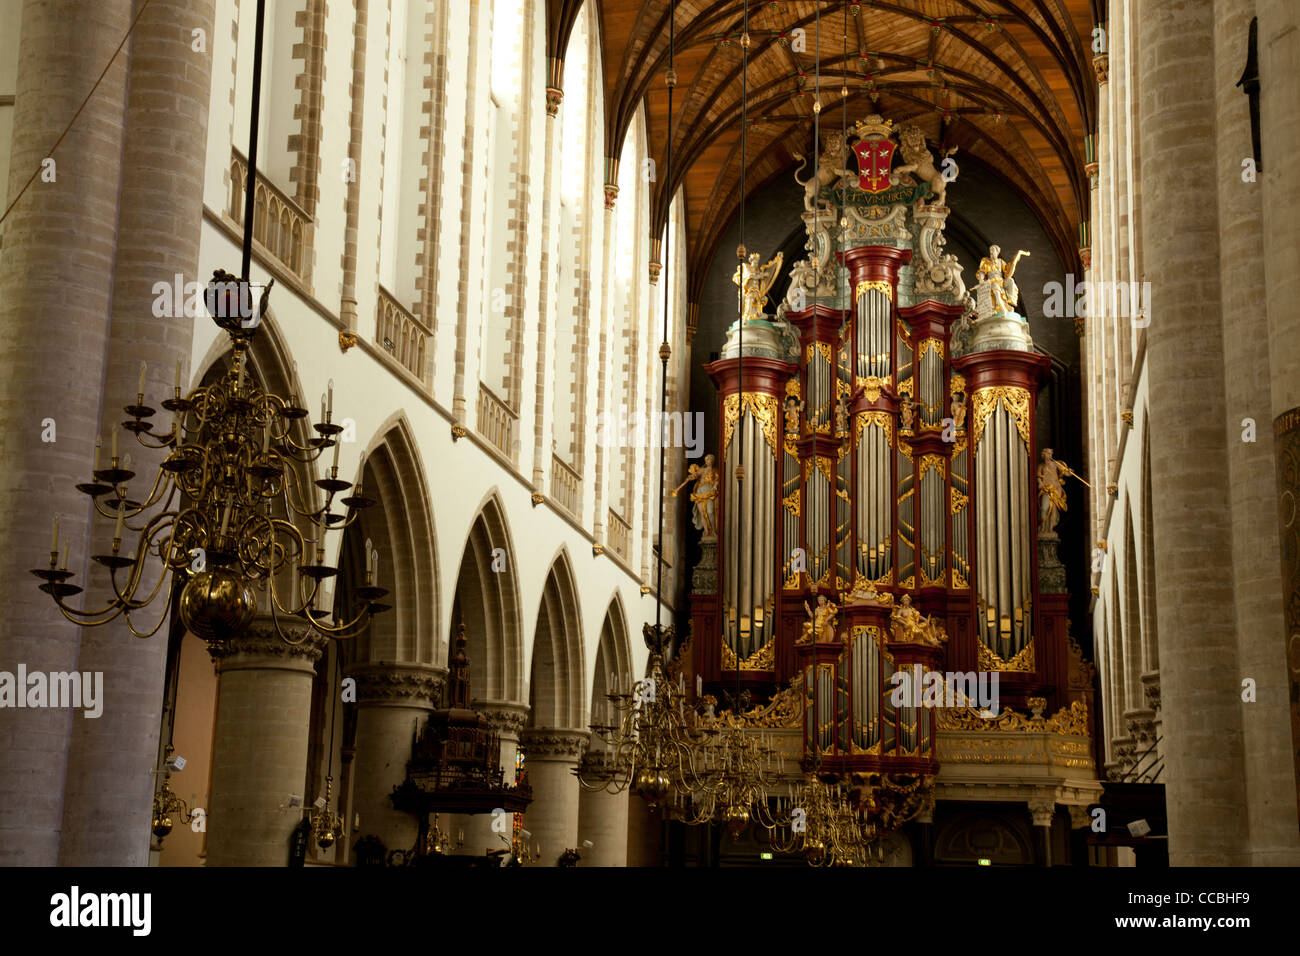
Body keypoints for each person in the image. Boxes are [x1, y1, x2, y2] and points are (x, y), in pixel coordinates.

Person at [670, 453, 719, 538]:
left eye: (710, 459)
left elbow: (718, 480)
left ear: (713, 461)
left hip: (710, 492)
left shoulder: (716, 471)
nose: (708, 461)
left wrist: (715, 486)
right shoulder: (702, 470)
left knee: (710, 511)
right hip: (700, 492)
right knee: (702, 513)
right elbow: (694, 476)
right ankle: (707, 532)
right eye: (707, 460)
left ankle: (714, 531)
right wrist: (691, 477)